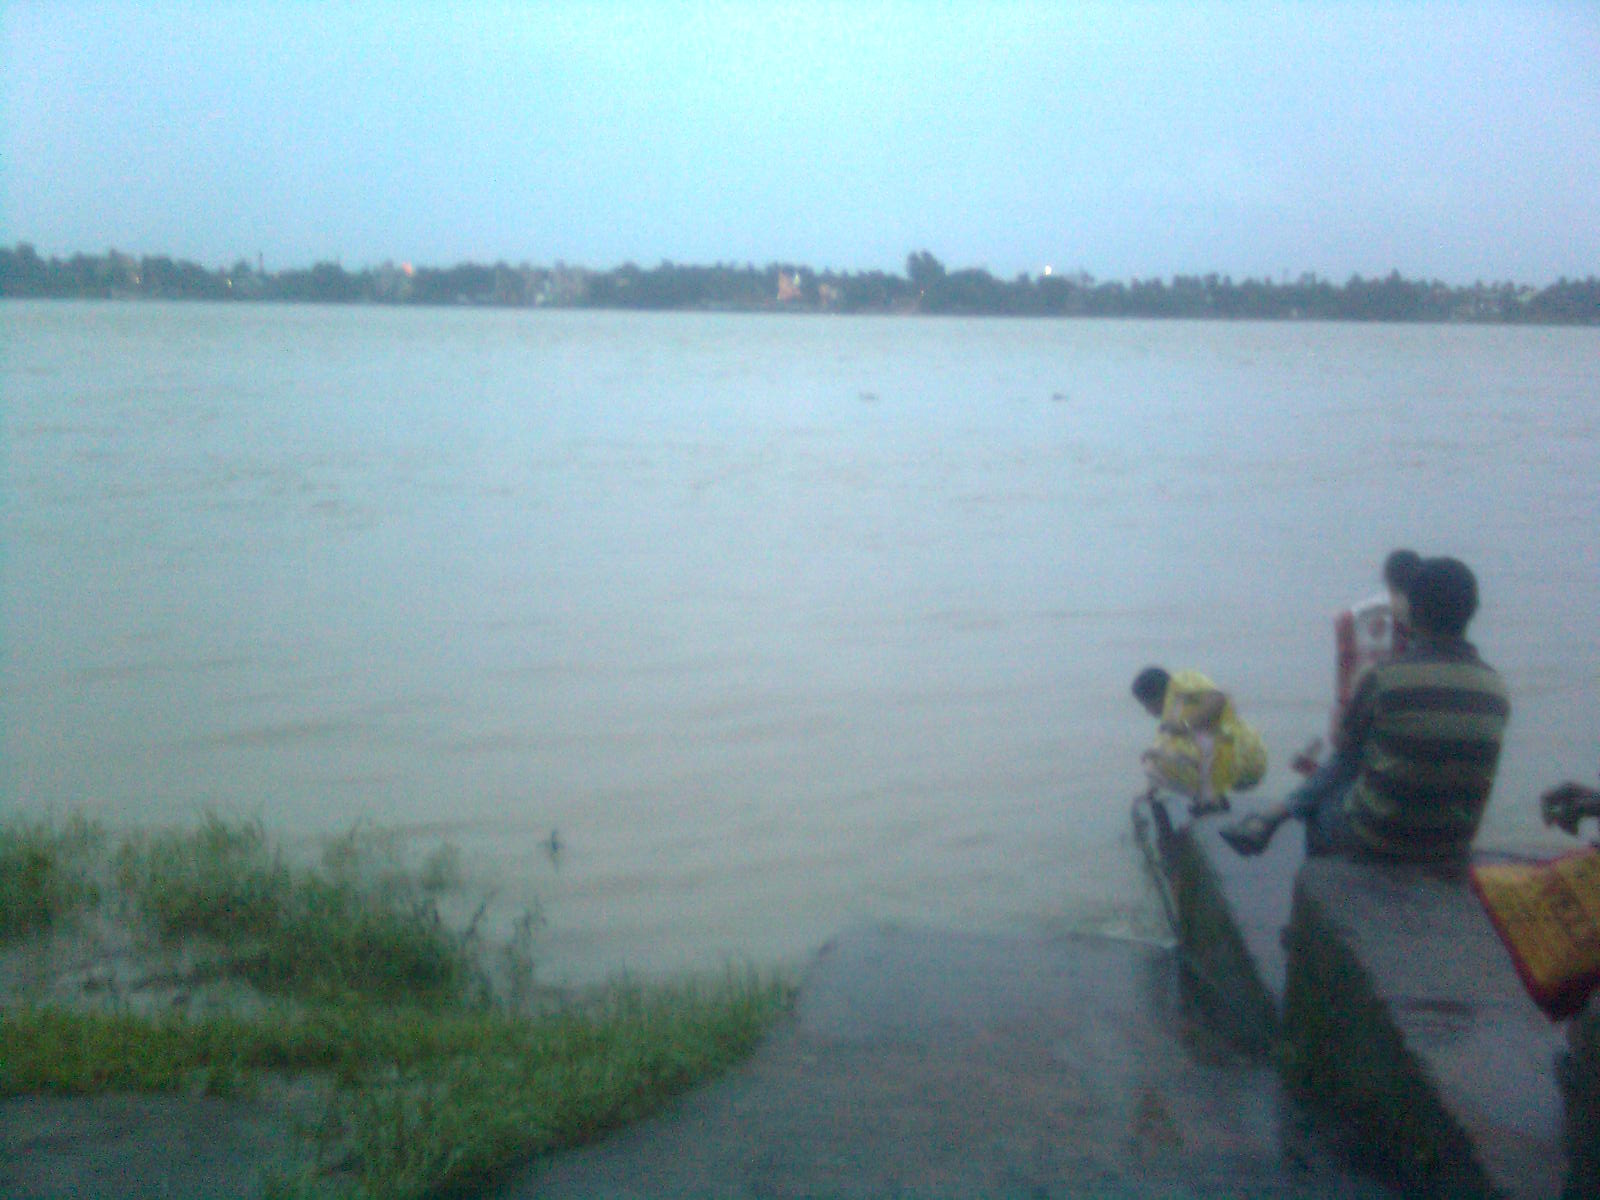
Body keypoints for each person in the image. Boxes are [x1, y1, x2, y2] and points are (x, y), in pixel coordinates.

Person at [1222, 556, 1509, 862]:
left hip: (1380, 834)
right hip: (1454, 841)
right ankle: (1272, 818)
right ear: (1473, 611)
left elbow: (1345, 748)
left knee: (1330, 795)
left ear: (1412, 611)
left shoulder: (1386, 678)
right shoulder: (1496, 688)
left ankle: (1291, 843)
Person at [1293, 548, 1422, 772]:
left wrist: (1342, 713)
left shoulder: (1352, 616)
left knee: (1332, 771)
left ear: (1386, 577)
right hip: (1405, 717)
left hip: (1358, 713)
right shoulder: (1423, 618)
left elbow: (1344, 670)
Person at [1132, 666, 1267, 814]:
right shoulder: (1172, 716)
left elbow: (1218, 699)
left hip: (1244, 756)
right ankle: (1211, 798)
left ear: (1155, 698)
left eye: (1146, 706)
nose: (1147, 712)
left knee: (1153, 760)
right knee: (1156, 757)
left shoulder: (1182, 683)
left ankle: (1210, 800)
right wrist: (1151, 790)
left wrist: (1186, 726)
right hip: (1237, 768)